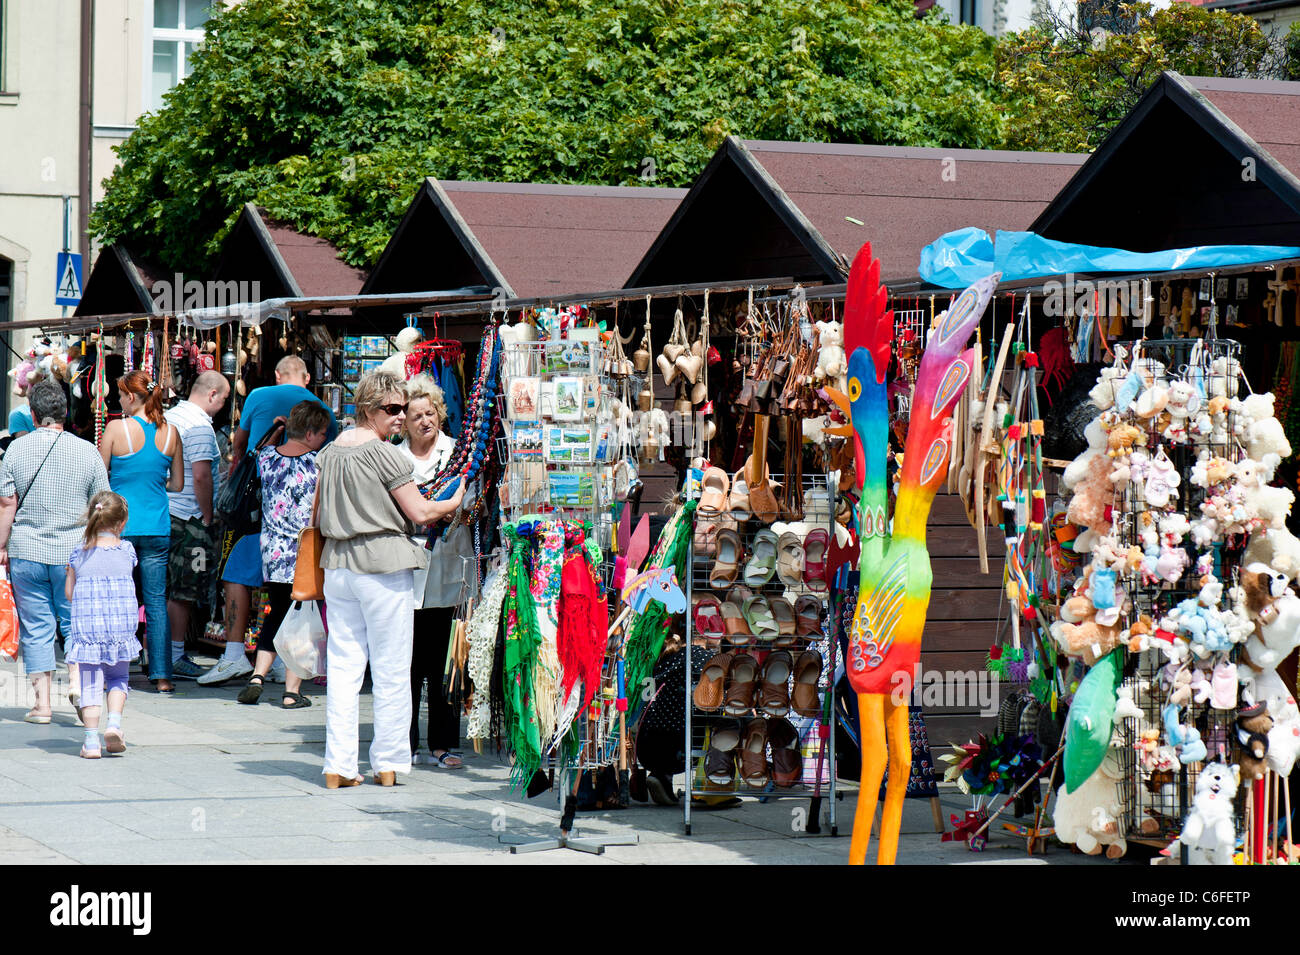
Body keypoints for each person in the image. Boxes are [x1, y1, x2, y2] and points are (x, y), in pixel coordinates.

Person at [315, 371, 463, 788]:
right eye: (393, 409)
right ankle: (389, 762)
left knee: (344, 668)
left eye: (403, 409)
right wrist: (454, 498)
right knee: (392, 667)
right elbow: (420, 512)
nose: (400, 418)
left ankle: (338, 766)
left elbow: (316, 515)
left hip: (338, 564)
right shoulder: (386, 455)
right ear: (369, 408)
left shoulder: (330, 451)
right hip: (382, 563)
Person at [0, 380, 110, 722]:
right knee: (75, 624)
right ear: (65, 413)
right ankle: (79, 685)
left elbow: (6, 503)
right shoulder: (87, 450)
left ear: (33, 415)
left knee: (37, 629)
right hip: (73, 556)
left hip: (27, 552)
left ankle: (42, 705)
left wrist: (1, 545)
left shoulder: (15, 450)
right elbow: (102, 504)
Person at [232, 400, 330, 707]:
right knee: (300, 621)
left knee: (274, 614)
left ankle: (258, 676)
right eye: (322, 433)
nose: (325, 439)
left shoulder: (267, 457)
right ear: (311, 432)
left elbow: (260, 450)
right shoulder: (317, 463)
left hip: (272, 553)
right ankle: (291, 692)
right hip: (304, 553)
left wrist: (278, 429)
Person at [100, 370, 184, 692]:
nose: (118, 400)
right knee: (155, 601)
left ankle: (115, 669)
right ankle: (162, 676)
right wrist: (152, 481)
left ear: (131, 398)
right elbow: (176, 484)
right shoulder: (170, 431)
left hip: (121, 527)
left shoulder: (115, 429)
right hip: (158, 527)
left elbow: (99, 475)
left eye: (120, 395)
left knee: (118, 598)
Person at [398, 376, 462, 768]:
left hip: (446, 568)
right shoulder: (396, 457)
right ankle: (403, 742)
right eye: (417, 415)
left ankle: (442, 743)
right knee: (406, 662)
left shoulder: (456, 453)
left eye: (431, 412)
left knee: (443, 661)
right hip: (405, 568)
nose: (426, 421)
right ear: (404, 422)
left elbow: (466, 503)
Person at [164, 371, 230, 677]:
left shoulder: (169, 416)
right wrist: (208, 515)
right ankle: (175, 654)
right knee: (184, 590)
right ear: (213, 394)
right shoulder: (201, 427)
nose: (225, 405)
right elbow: (202, 475)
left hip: (167, 511)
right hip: (190, 517)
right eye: (225, 398)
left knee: (165, 589)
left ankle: (161, 651)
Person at [64, 492, 140, 758]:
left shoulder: (78, 553)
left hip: (89, 630)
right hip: (120, 628)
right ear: (122, 522)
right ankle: (115, 726)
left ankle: (91, 742)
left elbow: (70, 594)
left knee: (90, 683)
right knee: (118, 677)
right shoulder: (127, 550)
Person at [229, 355, 336, 472]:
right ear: (307, 378)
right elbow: (328, 459)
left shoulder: (257, 396)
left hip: (257, 480)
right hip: (305, 484)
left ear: (277, 375)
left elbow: (239, 444)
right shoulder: (325, 412)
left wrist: (247, 471)